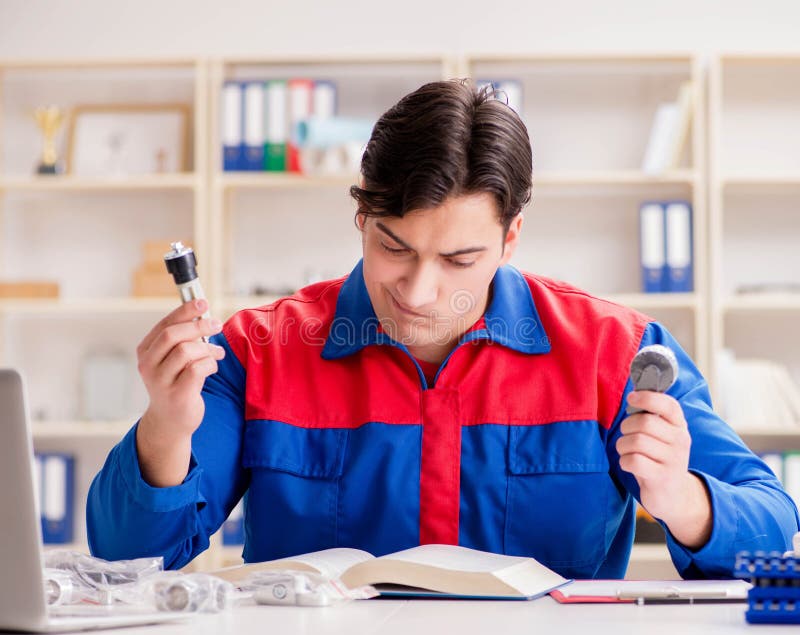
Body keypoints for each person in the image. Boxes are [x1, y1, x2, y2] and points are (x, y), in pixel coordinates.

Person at [87, 80, 799, 580]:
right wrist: (165, 430)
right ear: (361, 216)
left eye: (460, 258)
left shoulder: (616, 352)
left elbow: (772, 520)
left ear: (512, 236)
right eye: (394, 246)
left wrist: (680, 499)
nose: (419, 291)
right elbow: (125, 557)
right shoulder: (258, 351)